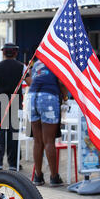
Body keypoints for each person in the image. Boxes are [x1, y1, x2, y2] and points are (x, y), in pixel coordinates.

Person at [0, 43, 32, 171]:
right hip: (15, 103)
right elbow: (30, 83)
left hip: (0, 103)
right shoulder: (22, 67)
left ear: (3, 53)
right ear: (15, 53)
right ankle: (13, 164)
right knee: (13, 134)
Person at [27, 58, 68, 187]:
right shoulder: (57, 61)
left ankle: (38, 176)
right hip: (49, 98)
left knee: (38, 141)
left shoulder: (37, 64)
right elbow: (62, 82)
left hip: (32, 97)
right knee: (49, 141)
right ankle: (54, 177)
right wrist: (65, 97)